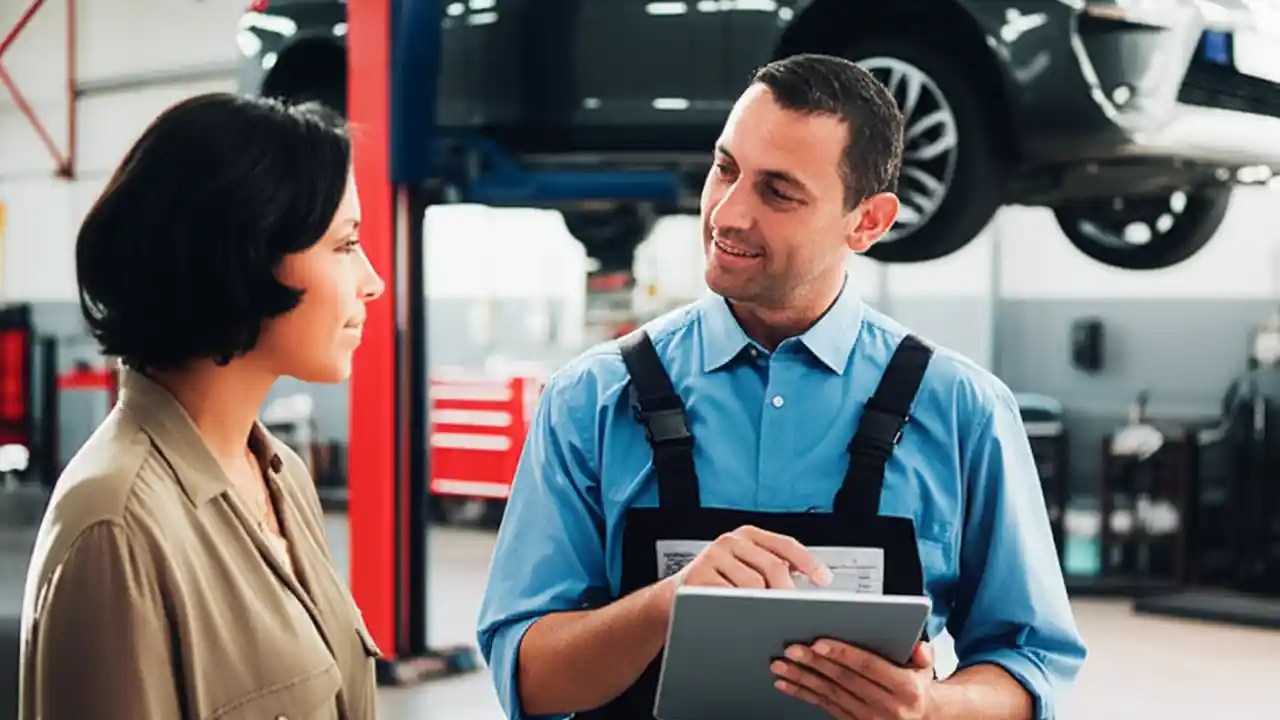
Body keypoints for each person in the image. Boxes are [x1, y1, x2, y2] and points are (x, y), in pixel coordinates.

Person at [477, 53, 1087, 720]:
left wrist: (934, 707)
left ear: (869, 222)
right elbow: (528, 677)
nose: (728, 214)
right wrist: (668, 604)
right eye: (725, 168)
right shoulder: (591, 403)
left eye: (779, 192)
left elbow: (1030, 671)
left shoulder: (964, 412)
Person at [18, 92, 386, 719]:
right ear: (242, 252)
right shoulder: (116, 529)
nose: (372, 280)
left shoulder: (282, 480)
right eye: (345, 245)